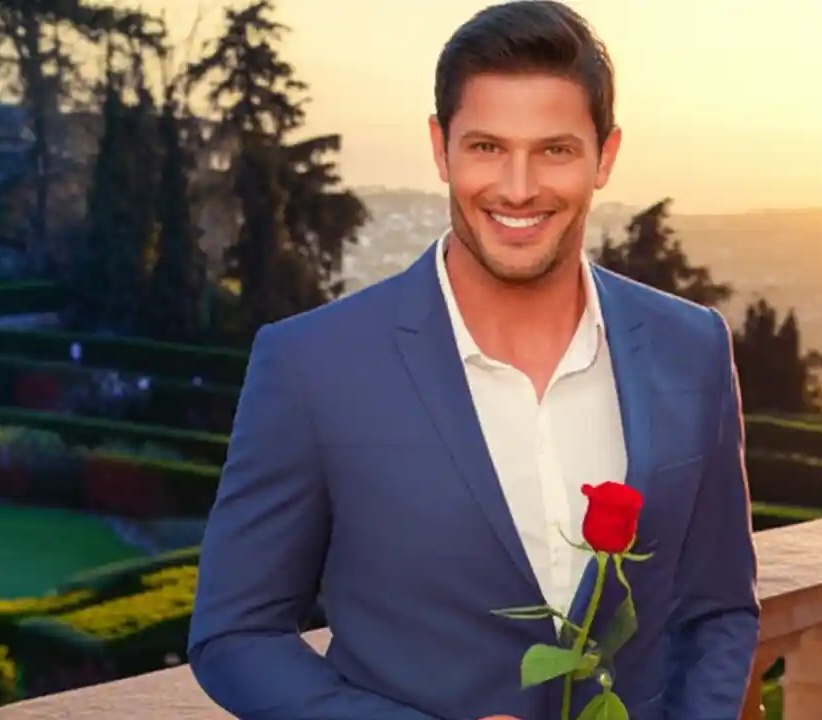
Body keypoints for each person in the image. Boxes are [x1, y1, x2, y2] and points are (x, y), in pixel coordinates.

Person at [187, 1, 760, 718]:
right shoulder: (311, 365)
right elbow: (235, 635)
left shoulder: (692, 348)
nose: (518, 188)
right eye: (487, 147)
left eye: (554, 150)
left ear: (605, 156)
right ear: (440, 147)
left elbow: (717, 612)